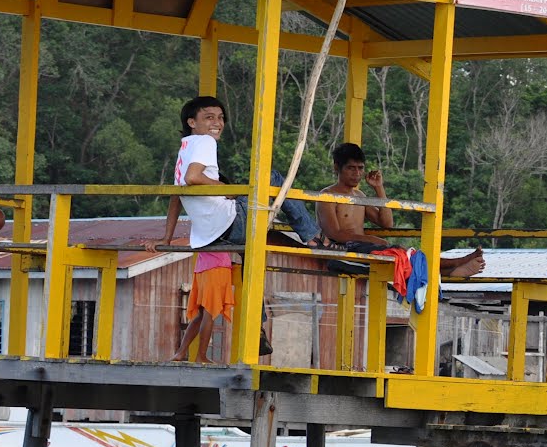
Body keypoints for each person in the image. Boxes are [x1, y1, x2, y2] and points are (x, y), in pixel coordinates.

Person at [152, 96, 327, 254]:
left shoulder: (185, 149)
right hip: (233, 224)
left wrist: (167, 237)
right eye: (209, 117)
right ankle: (313, 235)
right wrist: (225, 189)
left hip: (211, 237)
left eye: (221, 118)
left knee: (247, 190)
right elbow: (192, 177)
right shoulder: (206, 141)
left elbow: (176, 196)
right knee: (272, 177)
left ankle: (310, 234)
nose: (217, 123)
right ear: (192, 122)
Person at [317, 142, 486, 279]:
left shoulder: (359, 195)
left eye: (360, 168)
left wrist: (379, 189)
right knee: (402, 255)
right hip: (344, 251)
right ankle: (454, 265)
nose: (357, 173)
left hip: (367, 247)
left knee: (405, 256)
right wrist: (369, 238)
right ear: (337, 168)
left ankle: (450, 269)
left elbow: (387, 223)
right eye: (351, 168)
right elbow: (335, 233)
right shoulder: (327, 195)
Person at [170, 249, 235, 362]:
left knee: (201, 313)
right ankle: (201, 355)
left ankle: (180, 353)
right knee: (209, 312)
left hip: (202, 266)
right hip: (217, 265)